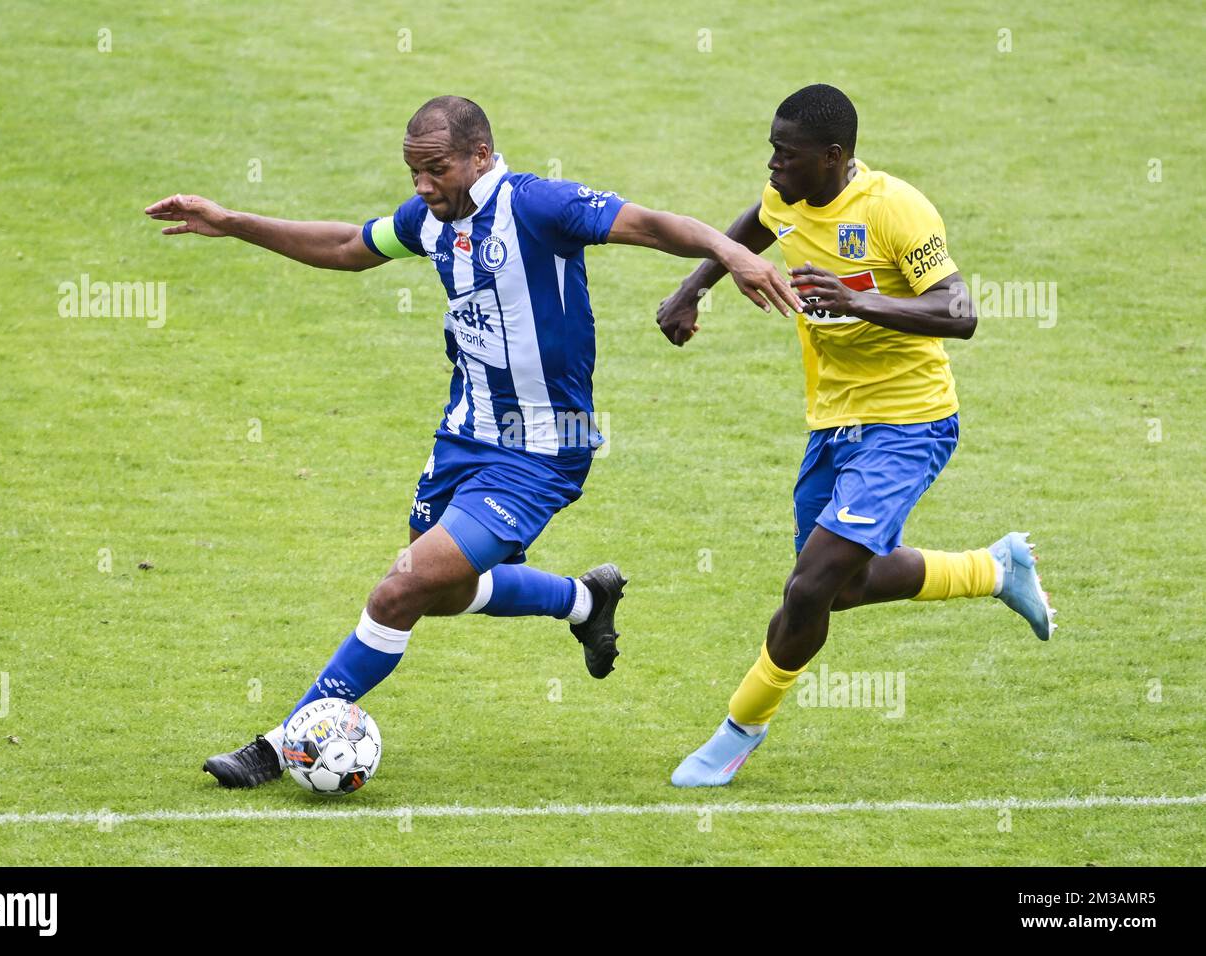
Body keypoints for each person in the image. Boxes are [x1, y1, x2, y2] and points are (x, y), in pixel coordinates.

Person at [145, 94, 803, 787]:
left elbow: (648, 223)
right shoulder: (431, 220)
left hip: (543, 448)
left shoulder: (539, 207)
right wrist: (232, 222)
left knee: (400, 591)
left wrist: (731, 254)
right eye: (413, 174)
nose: (423, 186)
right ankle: (583, 601)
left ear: (481, 156)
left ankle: (280, 746)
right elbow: (346, 245)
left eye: (437, 169)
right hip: (464, 436)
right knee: (443, 593)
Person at [657, 84, 1056, 788]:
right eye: (772, 152)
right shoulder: (787, 194)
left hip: (910, 421)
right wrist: (696, 287)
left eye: (788, 155)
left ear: (834, 156)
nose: (773, 167)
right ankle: (995, 570)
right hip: (834, 420)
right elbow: (756, 220)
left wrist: (858, 299)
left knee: (808, 588)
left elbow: (960, 312)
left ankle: (736, 732)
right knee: (843, 588)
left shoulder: (893, 208)